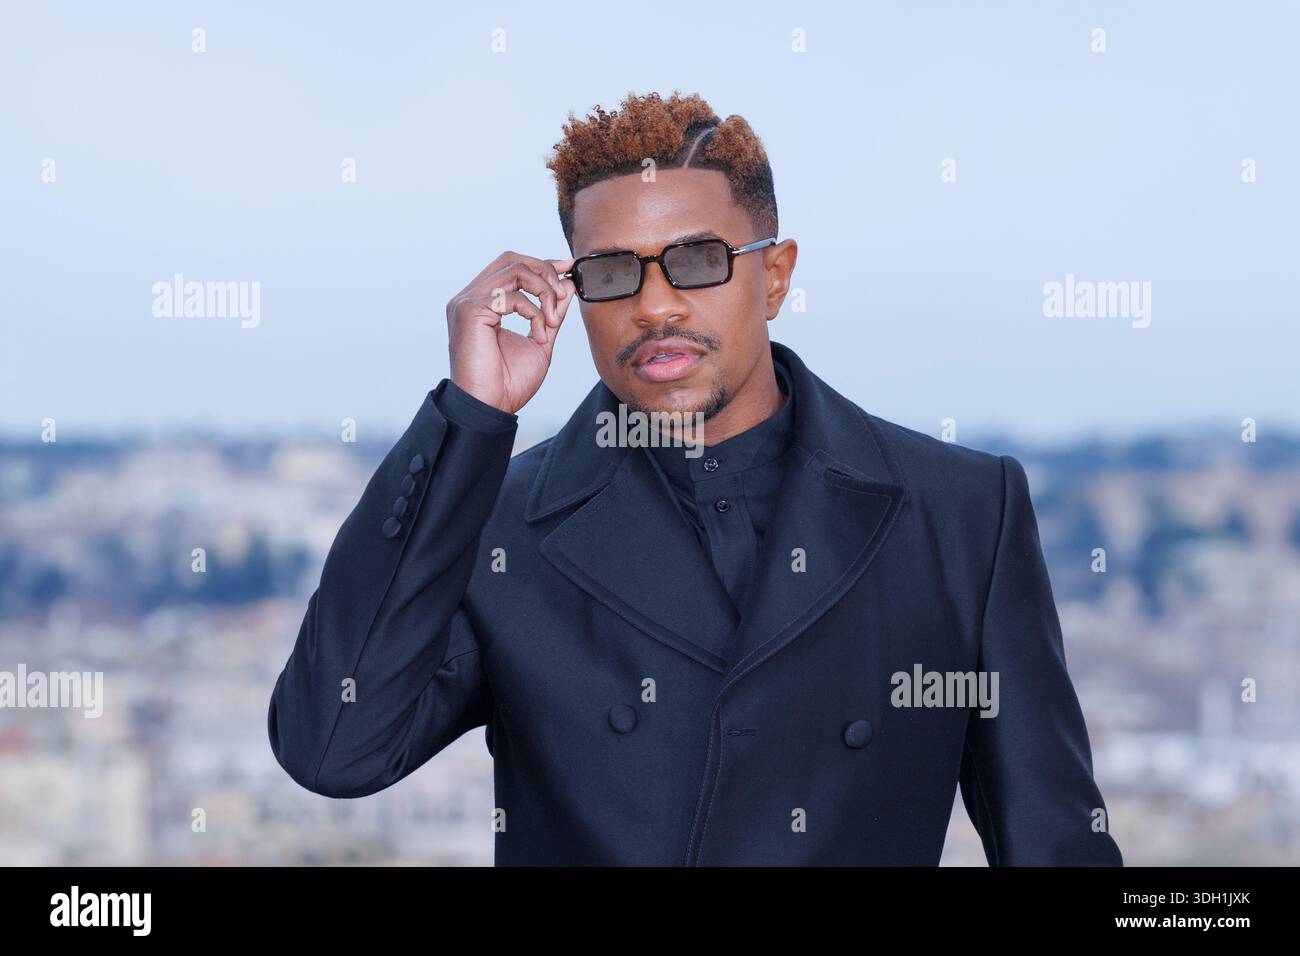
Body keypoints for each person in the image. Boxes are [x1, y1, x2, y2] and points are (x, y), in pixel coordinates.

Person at [267, 90, 1123, 866]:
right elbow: (333, 748)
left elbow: (1053, 845)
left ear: (775, 274)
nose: (655, 305)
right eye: (611, 273)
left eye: (698, 260)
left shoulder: (960, 511)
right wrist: (470, 417)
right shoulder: (501, 526)